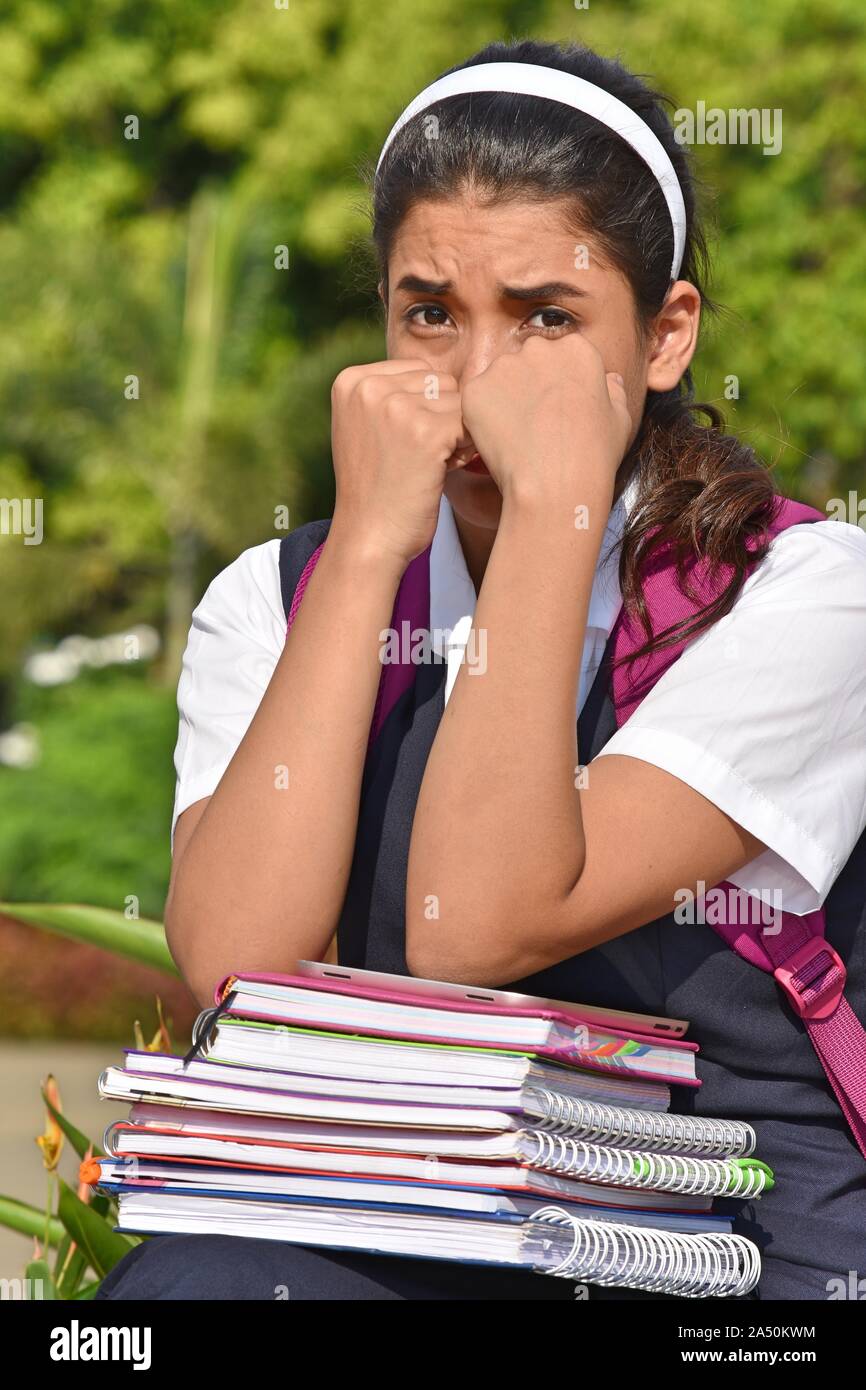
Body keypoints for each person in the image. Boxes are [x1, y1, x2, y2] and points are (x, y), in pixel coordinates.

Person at [98, 37, 866, 1301]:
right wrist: (362, 557)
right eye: (430, 314)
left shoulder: (802, 594)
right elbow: (237, 963)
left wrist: (559, 510)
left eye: (546, 320)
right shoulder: (273, 596)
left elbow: (476, 922)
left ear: (665, 336)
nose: (477, 377)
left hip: (723, 1250)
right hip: (402, 1222)